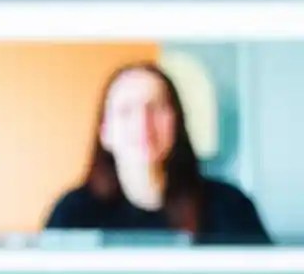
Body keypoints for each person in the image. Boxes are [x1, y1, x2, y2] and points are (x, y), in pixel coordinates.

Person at [45, 63, 271, 244]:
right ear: (105, 132)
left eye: (156, 107)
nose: (143, 122)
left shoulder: (229, 205)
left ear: (177, 122)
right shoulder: (73, 214)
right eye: (126, 111)